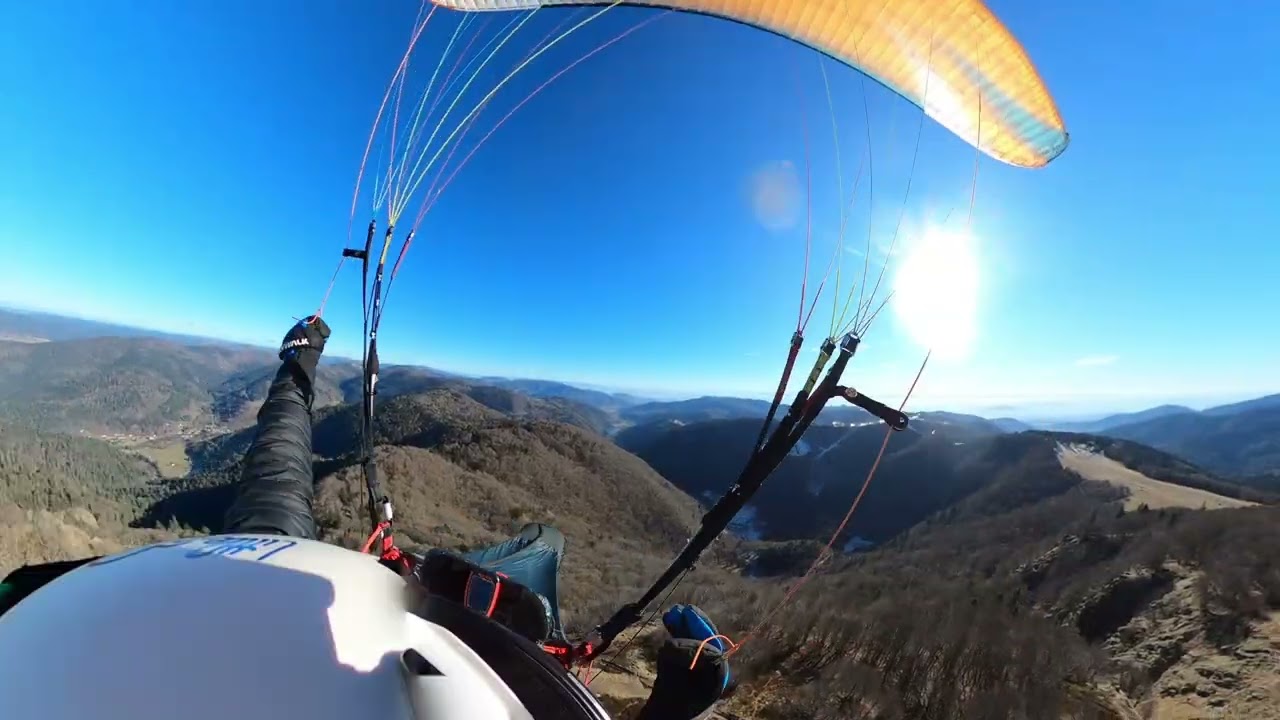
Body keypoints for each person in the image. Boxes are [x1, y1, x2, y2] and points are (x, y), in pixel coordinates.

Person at [0, 316, 729, 720]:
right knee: (542, 551)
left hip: (272, 564)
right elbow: (281, 452)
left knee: (525, 565)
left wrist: (298, 369)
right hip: (298, 575)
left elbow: (282, 450)